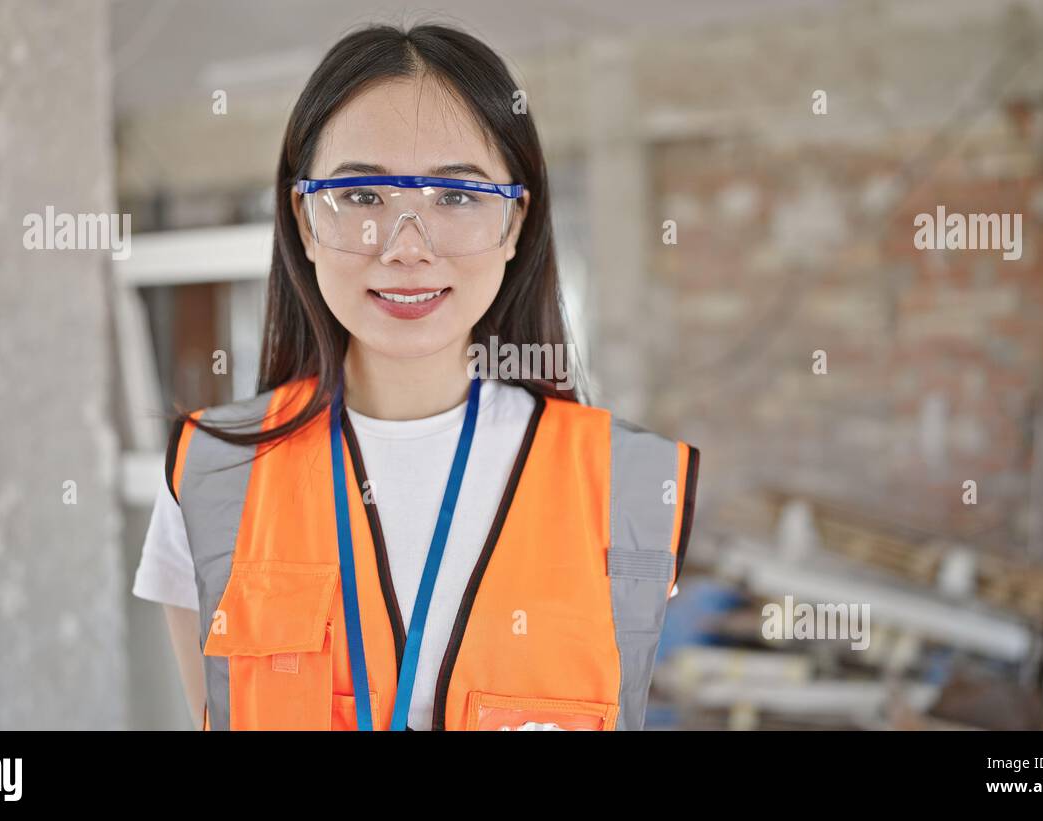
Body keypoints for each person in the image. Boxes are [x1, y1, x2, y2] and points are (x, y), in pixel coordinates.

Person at [132, 22, 699, 732]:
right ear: (304, 222)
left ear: (515, 222)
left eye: (455, 197)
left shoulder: (637, 484)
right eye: (362, 195)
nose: (405, 247)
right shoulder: (213, 473)